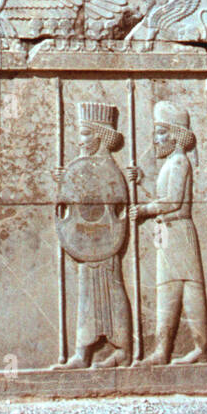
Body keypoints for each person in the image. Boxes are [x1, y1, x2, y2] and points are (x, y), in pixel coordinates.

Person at [54, 103, 132, 369]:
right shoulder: (87, 166)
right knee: (87, 295)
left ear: (99, 135)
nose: (80, 140)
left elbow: (112, 202)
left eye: (86, 133)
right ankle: (84, 350)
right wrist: (66, 180)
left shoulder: (108, 168)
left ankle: (122, 349)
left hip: (104, 243)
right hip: (88, 242)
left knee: (111, 291)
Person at [130, 102, 207, 364]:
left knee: (188, 290)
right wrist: (142, 181)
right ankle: (163, 351)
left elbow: (173, 201)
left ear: (175, 135)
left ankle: (199, 348)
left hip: (178, 231)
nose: (155, 139)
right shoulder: (171, 163)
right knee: (168, 290)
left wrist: (144, 210)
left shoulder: (178, 163)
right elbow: (164, 197)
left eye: (161, 132)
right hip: (167, 231)